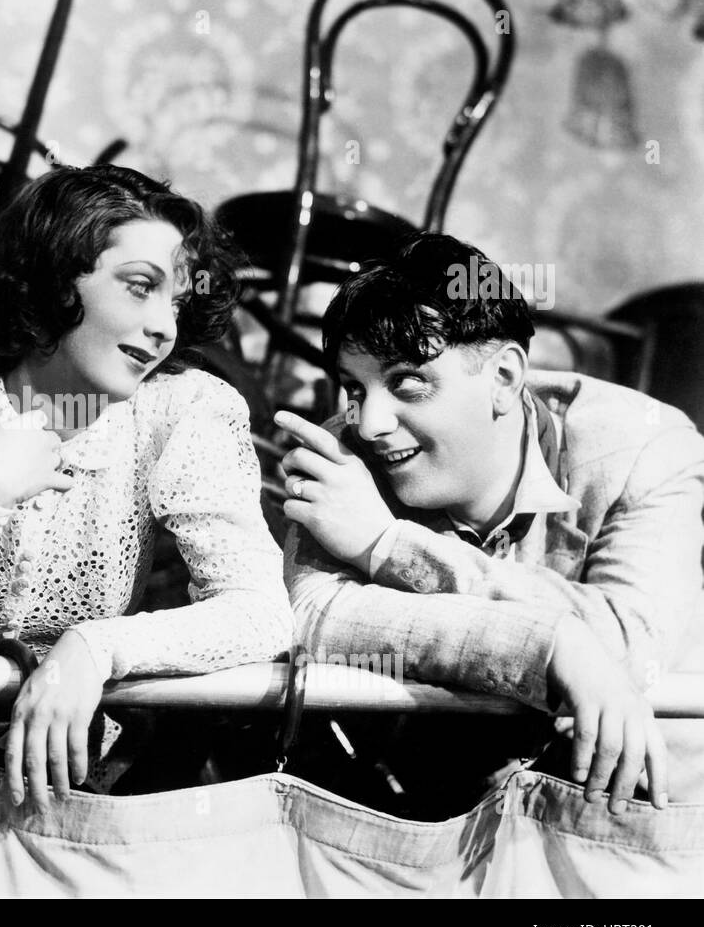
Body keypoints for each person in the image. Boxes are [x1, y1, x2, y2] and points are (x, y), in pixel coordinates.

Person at [0, 165, 293, 809]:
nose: (164, 328)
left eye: (175, 302)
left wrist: (96, 648)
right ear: (55, 277)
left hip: (76, 761)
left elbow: (261, 614)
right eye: (140, 288)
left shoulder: (185, 408)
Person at [278, 232, 704, 817]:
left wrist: (389, 545)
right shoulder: (345, 454)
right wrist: (547, 646)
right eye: (355, 388)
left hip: (643, 817)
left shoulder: (645, 445)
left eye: (407, 382)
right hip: (436, 815)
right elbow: (315, 618)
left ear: (504, 378)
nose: (371, 422)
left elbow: (630, 648)